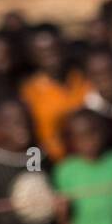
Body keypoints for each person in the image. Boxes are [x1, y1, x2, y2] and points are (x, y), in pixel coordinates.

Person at [20, 25, 89, 163]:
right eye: (42, 51)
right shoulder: (29, 92)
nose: (50, 56)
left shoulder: (84, 79)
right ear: (32, 56)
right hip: (54, 164)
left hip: (93, 161)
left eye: (54, 48)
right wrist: (36, 169)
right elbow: (30, 139)